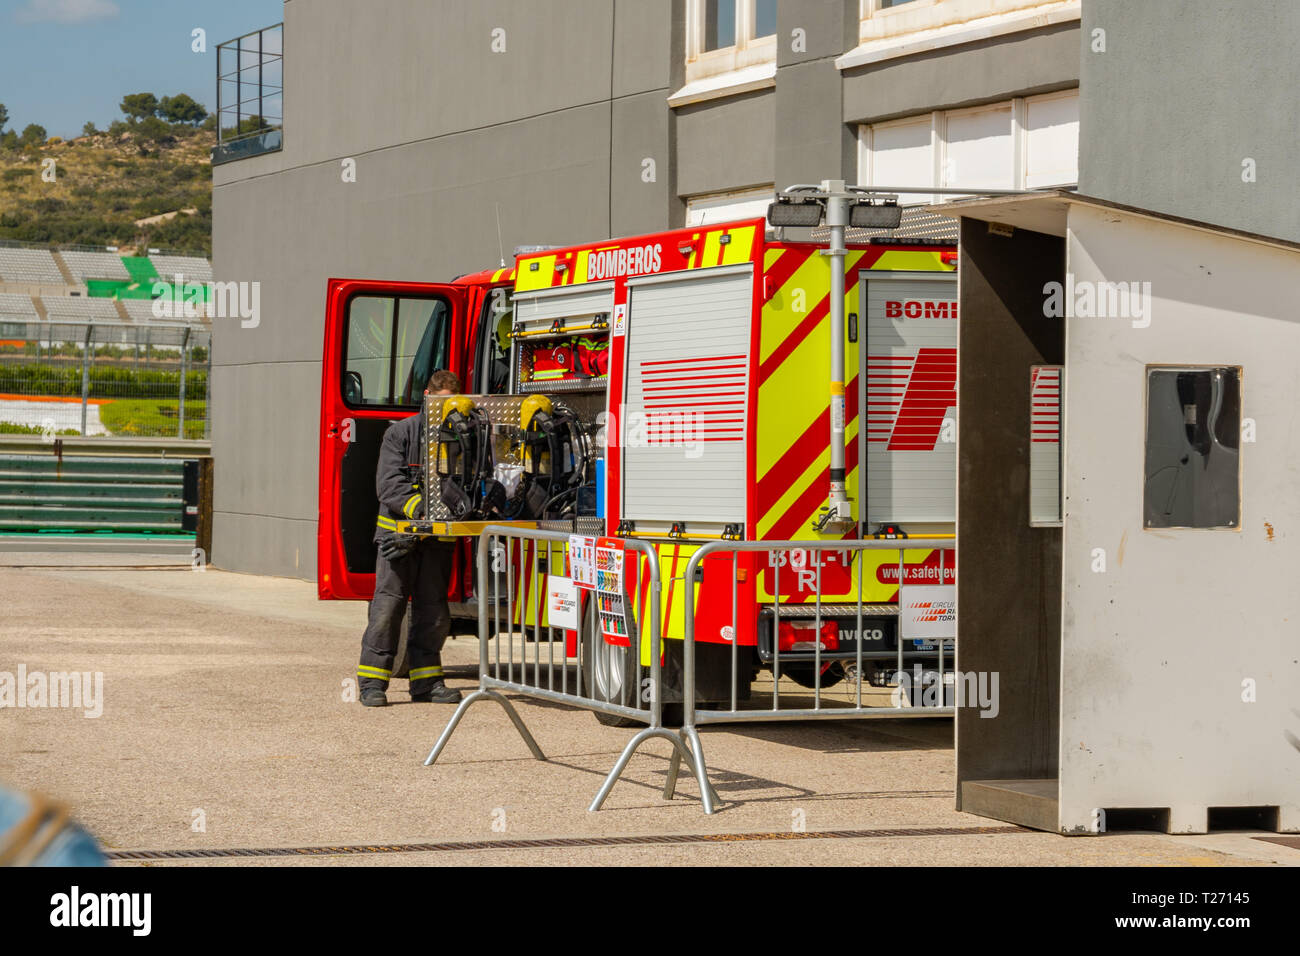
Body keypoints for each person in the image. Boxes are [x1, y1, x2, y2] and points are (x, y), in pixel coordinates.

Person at [357, 369, 463, 707]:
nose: (447, 410)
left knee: (433, 613)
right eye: (442, 402)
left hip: (436, 540)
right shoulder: (400, 434)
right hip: (397, 536)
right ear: (428, 398)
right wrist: (420, 513)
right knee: (388, 609)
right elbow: (388, 485)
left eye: (454, 404)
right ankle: (372, 683)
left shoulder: (460, 437)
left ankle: (427, 683)